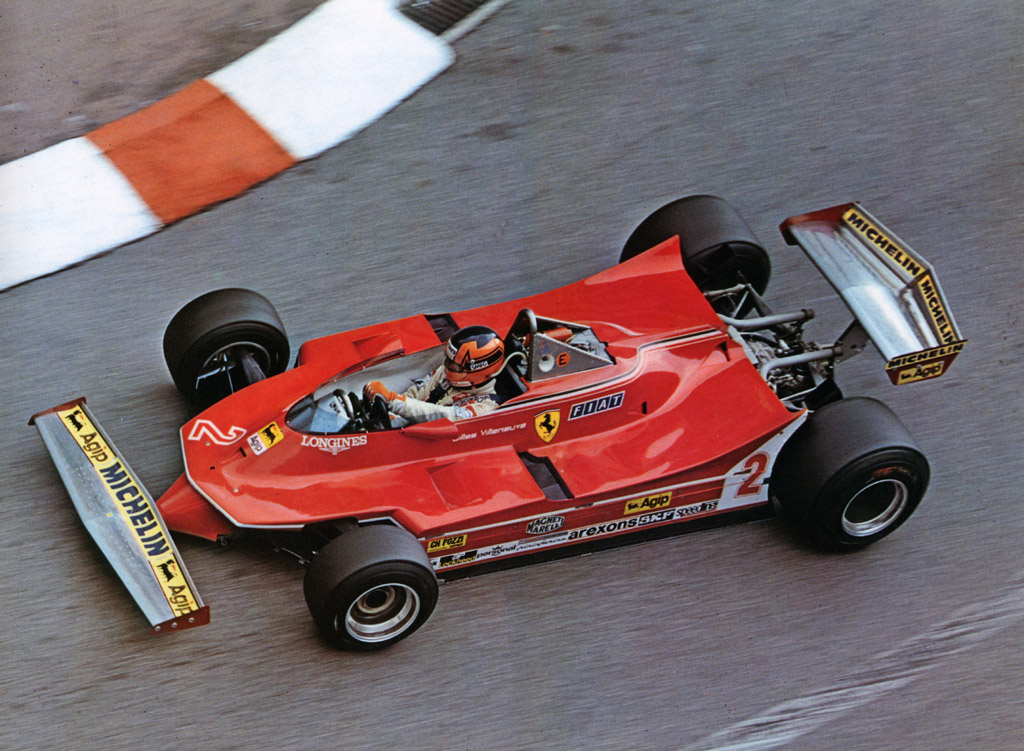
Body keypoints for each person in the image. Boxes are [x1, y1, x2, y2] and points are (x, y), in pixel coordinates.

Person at [363, 325, 506, 425]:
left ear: (478, 370)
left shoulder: (484, 408)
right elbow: (417, 392)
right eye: (448, 360)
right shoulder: (447, 373)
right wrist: (392, 416)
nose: (447, 366)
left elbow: (439, 414)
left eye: (454, 365)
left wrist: (393, 400)